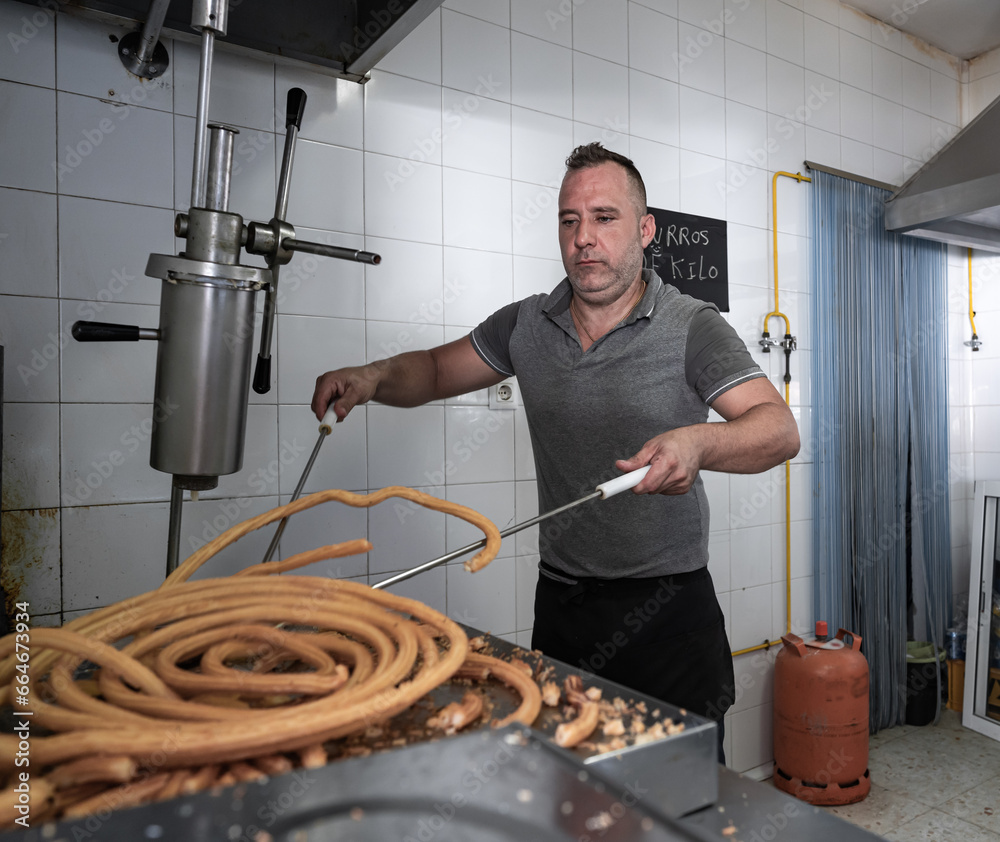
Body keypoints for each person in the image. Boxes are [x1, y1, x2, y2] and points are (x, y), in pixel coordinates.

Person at [312, 143, 800, 764]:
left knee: (681, 804)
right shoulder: (526, 325)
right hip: (564, 608)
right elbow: (435, 370)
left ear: (645, 230)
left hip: (669, 613)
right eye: (570, 220)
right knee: (567, 793)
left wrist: (699, 441)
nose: (584, 238)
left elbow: (778, 430)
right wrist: (374, 377)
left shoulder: (691, 325)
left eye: (604, 217)